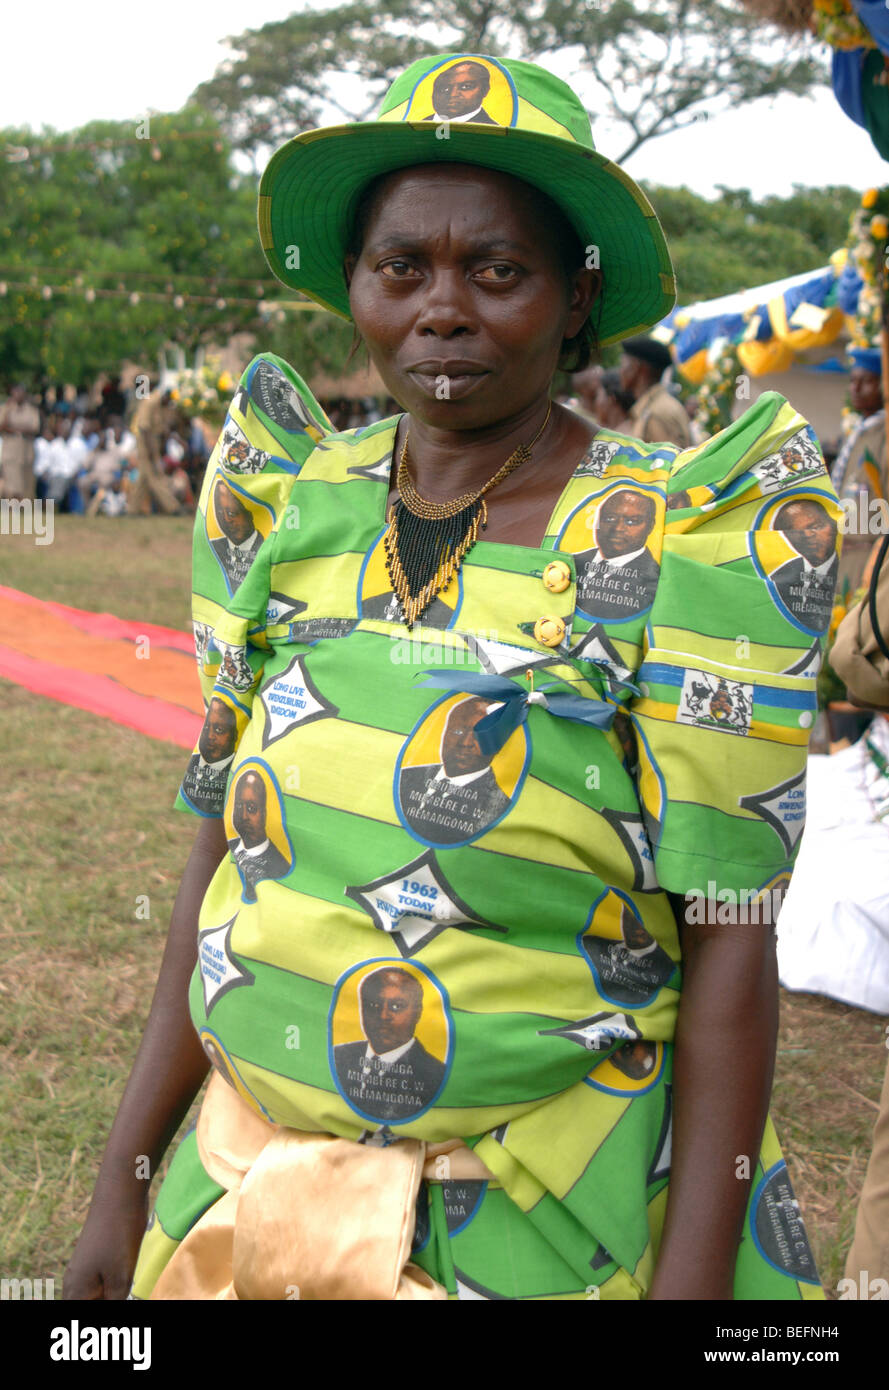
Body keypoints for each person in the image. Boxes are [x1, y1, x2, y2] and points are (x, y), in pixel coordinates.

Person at [66, 51, 839, 1304]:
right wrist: (126, 1178)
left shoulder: (684, 543)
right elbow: (217, 858)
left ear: (578, 297)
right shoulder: (287, 501)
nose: (442, 310)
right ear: (356, 285)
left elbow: (731, 947)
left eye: (496, 271)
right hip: (240, 1196)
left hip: (543, 1225)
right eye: (401, 268)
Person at [333, 967, 447, 1121]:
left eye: (396, 1006)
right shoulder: (337, 1056)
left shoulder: (436, 1074)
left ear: (417, 1012)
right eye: (373, 1005)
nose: (383, 1015)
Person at [398, 695, 512, 843]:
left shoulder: (498, 804)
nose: (465, 743)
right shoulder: (406, 776)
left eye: (479, 736)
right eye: (457, 731)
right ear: (444, 734)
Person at [830, 346, 889, 601]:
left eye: (866, 381)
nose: (856, 388)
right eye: (853, 381)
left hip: (870, 558)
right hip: (845, 556)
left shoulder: (883, 433)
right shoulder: (860, 432)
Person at [573, 488, 660, 620]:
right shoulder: (570, 562)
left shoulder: (656, 580)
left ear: (650, 526)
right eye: (609, 518)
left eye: (632, 521)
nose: (618, 528)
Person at [772, 498, 839, 633]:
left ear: (834, 526)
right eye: (796, 531)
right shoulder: (774, 579)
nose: (807, 535)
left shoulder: (852, 574)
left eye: (816, 527)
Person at [227, 770, 290, 902]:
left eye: (251, 808)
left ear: (264, 813)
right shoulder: (227, 848)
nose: (243, 816)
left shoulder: (280, 867)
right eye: (238, 806)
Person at [619, 336, 692, 447]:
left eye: (623, 364)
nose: (620, 371)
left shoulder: (655, 412)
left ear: (637, 367)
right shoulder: (653, 407)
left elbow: (669, 462)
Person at [129, 387, 183, 516]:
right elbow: (144, 428)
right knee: (154, 477)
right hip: (145, 445)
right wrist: (150, 453)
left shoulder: (161, 405)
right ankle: (173, 508)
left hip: (153, 445)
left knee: (143, 478)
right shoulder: (150, 402)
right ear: (165, 395)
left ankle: (132, 510)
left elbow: (161, 429)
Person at [0, 384, 40, 500]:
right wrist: (7, 413)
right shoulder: (5, 409)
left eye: (20, 393)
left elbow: (34, 428)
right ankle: (12, 509)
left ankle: (23, 509)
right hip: (10, 452)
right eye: (15, 393)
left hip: (26, 453)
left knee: (26, 484)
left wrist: (15, 429)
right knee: (12, 483)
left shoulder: (31, 410)